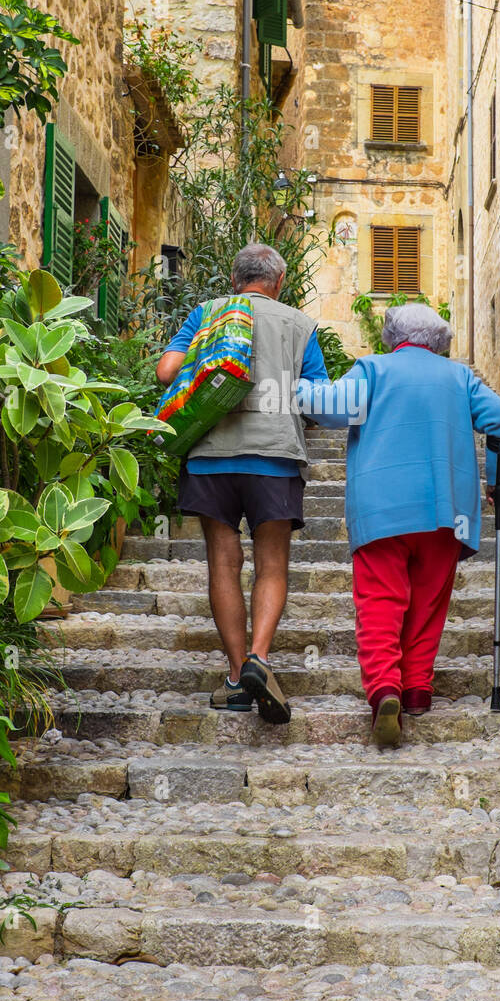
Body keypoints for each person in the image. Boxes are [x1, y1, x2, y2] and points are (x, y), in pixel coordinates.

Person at [299, 302, 500, 748]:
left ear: (392, 339)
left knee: (380, 598)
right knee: (429, 602)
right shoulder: (459, 377)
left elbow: (330, 410)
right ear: (439, 343)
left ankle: (385, 689)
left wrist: (293, 383)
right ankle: (417, 689)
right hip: (445, 509)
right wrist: (496, 483)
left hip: (382, 507)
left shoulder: (372, 370)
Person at [156, 243, 330, 724]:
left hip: (211, 455)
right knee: (271, 562)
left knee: (223, 561)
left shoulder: (207, 313)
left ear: (235, 280)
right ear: (279, 282)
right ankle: (259, 658)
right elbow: (314, 398)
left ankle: (235, 678)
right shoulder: (299, 324)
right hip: (273, 455)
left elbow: (166, 371)